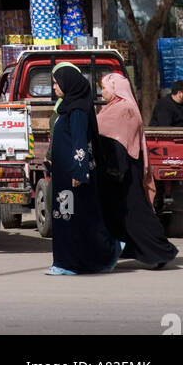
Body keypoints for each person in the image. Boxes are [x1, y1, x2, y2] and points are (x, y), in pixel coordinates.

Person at [45, 62, 122, 276]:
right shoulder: (67, 107)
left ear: (68, 84)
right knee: (64, 217)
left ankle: (70, 263)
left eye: (56, 83)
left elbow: (80, 141)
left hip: (73, 176)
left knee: (70, 218)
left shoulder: (77, 110)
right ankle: (65, 261)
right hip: (63, 176)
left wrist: (79, 171)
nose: (54, 87)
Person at [97, 72, 177, 269]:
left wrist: (116, 170)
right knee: (117, 214)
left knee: (135, 213)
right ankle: (115, 251)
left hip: (123, 171)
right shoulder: (113, 108)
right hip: (115, 171)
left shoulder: (124, 110)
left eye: (105, 88)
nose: (102, 92)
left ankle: (161, 250)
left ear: (115, 89)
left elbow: (121, 143)